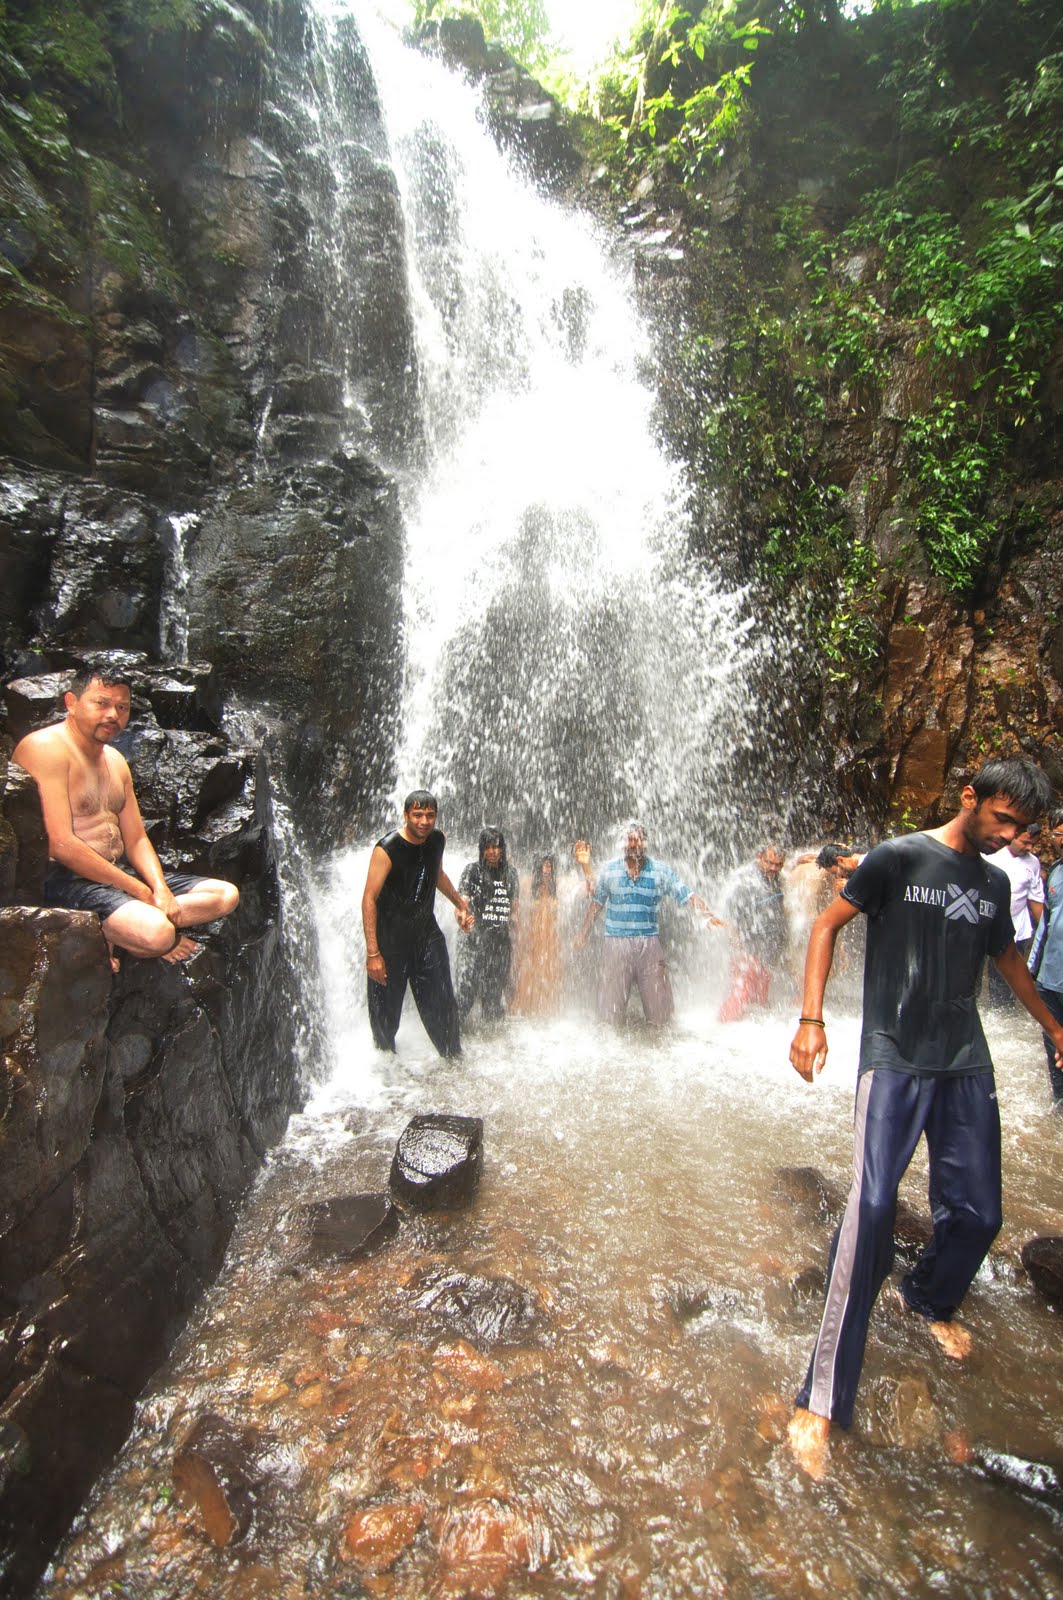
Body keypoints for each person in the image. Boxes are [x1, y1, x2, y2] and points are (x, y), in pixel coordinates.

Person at [786, 757, 1063, 1482]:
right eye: (1002, 818)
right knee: (872, 1207)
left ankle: (922, 1297)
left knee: (979, 1214)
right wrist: (810, 1020)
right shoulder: (898, 857)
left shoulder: (994, 881)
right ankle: (819, 1399)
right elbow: (824, 925)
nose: (1011, 835)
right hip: (894, 1053)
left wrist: (1055, 1028)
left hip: (964, 1059)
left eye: (1022, 827)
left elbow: (1005, 959)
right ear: (968, 797)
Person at [12, 659, 239, 967]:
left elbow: (135, 838)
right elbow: (60, 843)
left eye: (122, 707)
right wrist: (139, 891)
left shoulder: (116, 760)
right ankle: (115, 930)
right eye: (101, 703)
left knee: (225, 895)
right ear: (72, 702)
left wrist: (159, 888)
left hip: (118, 872)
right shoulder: (45, 748)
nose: (112, 715)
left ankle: (127, 925)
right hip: (65, 879)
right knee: (160, 935)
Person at [574, 822, 723, 1025]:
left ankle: (663, 1045)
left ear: (645, 843)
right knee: (609, 1015)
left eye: (638, 839)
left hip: (650, 945)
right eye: (630, 839)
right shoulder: (610, 870)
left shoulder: (661, 871)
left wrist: (707, 914)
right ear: (623, 844)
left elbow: (686, 893)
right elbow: (596, 903)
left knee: (661, 1014)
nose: (634, 844)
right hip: (615, 944)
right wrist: (583, 933)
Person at [361, 790, 472, 1057]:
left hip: (426, 936)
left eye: (430, 815)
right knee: (385, 1015)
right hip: (390, 944)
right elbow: (369, 899)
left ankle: (454, 1060)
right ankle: (386, 1069)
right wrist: (373, 953)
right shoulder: (386, 849)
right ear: (406, 814)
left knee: (443, 1005)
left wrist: (460, 903)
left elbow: (437, 874)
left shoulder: (437, 840)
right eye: (418, 815)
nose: (424, 821)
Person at [455, 827, 520, 1023]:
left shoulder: (511, 873)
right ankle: (451, 1037)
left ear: (503, 849)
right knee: (465, 995)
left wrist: (517, 940)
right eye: (488, 847)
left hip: (500, 944)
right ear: (482, 849)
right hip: (473, 943)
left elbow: (514, 910)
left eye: (496, 847)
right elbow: (462, 902)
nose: (492, 851)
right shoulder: (472, 870)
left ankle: (492, 1045)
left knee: (493, 999)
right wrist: (461, 917)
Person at [719, 845, 787, 1022]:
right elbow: (729, 919)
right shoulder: (744, 882)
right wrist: (739, 950)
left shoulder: (775, 878)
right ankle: (720, 1029)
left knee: (760, 999)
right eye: (769, 863)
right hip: (747, 950)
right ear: (758, 857)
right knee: (740, 995)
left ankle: (746, 1037)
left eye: (778, 864)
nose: (773, 868)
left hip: (767, 951)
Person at [985, 824, 1044, 1008]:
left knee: (1005, 981)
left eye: (1033, 844)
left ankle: (1002, 1013)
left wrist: (1046, 932)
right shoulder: (989, 854)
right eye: (1026, 842)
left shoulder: (1033, 863)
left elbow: (1035, 900)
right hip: (982, 924)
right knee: (972, 974)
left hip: (1015, 929)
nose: (1029, 848)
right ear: (1013, 835)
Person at [1027, 808, 1063, 1106]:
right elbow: (1046, 925)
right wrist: (1031, 970)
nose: (1060, 839)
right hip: (1050, 981)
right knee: (1054, 1046)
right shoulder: (1056, 872)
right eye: (1059, 832)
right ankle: (1059, 1106)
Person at [512, 853, 562, 1016]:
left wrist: (585, 867)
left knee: (550, 976)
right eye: (543, 865)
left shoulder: (558, 886)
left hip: (551, 942)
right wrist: (521, 935)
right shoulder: (527, 884)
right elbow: (515, 910)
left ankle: (547, 1014)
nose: (546, 869)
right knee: (526, 977)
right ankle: (524, 1013)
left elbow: (585, 888)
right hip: (531, 940)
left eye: (549, 865)